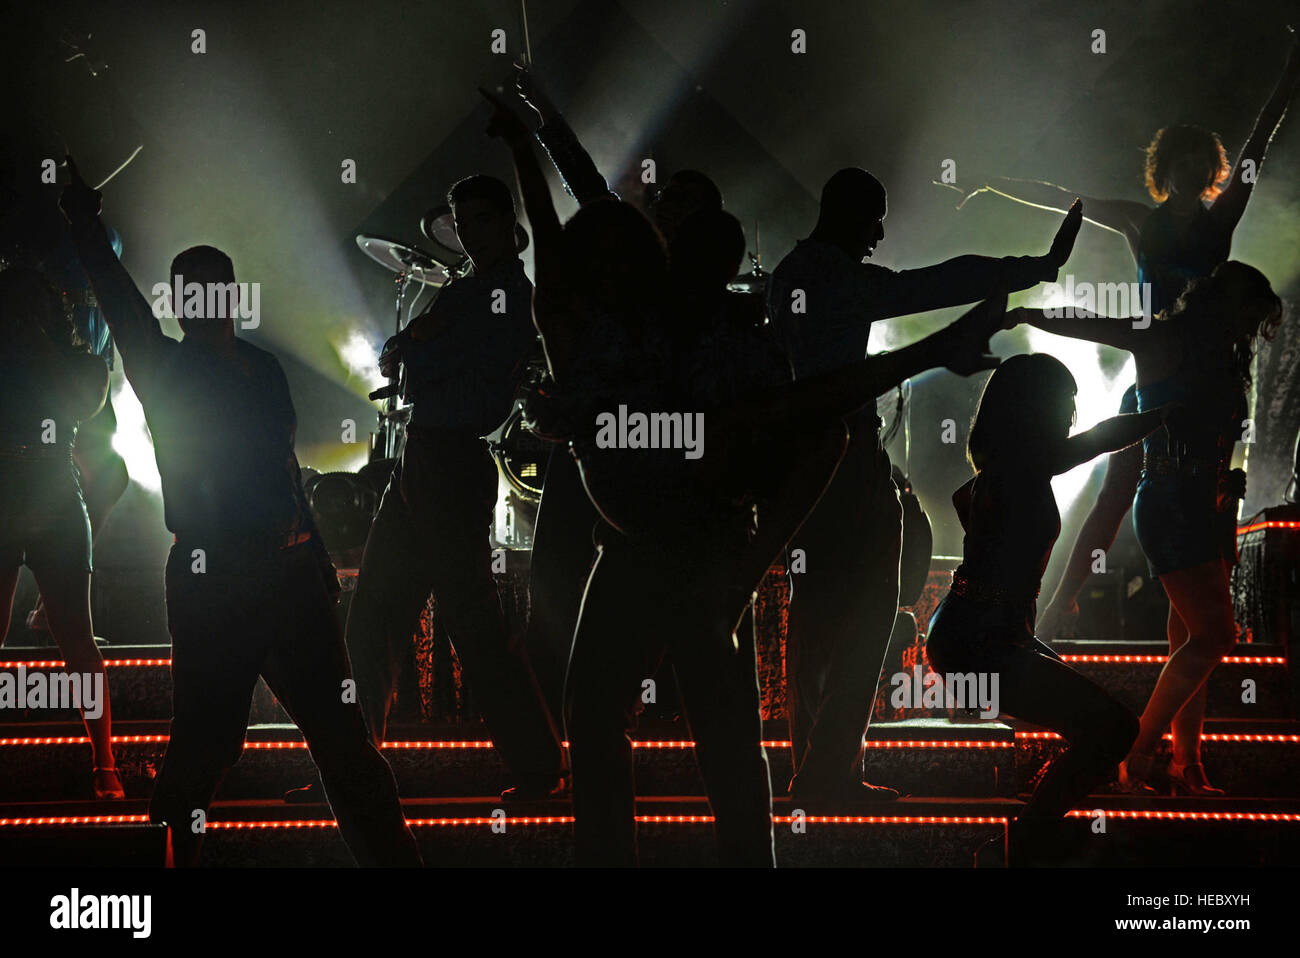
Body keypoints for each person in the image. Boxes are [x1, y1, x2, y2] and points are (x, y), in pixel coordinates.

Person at [59, 157, 422, 866]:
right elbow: (117, 299)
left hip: (280, 574)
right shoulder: (167, 369)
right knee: (208, 742)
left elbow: (283, 470)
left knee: (336, 738)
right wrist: (84, 227)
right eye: (190, 291)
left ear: (225, 295)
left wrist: (314, 559)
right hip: (218, 578)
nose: (201, 300)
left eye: (209, 289)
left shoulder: (260, 369)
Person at [952, 29, 1300, 649]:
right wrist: (988, 180)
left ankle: (1193, 633)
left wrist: (1289, 74)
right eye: (1183, 158)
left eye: (1203, 159)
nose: (1194, 167)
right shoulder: (1142, 221)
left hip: (1207, 372)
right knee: (1115, 490)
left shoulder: (1221, 219)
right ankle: (1062, 605)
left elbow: (1258, 145)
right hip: (1156, 365)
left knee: (1212, 491)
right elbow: (1064, 200)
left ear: (1212, 170)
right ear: (1165, 168)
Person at [765, 168, 1083, 807]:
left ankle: (819, 772)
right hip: (844, 466)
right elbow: (937, 282)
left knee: (816, 621)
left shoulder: (788, 278)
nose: (881, 233)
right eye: (876, 217)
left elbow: (932, 282)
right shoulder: (835, 278)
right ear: (850, 214)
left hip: (801, 464)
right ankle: (830, 774)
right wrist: (1033, 266)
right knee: (867, 613)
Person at [1008, 260, 1284, 796]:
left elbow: (1222, 439)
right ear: (1224, 305)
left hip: (1208, 507)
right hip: (1169, 504)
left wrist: (1227, 488)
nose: (1248, 334)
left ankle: (1187, 763)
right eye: (1246, 319)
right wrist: (1021, 312)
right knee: (1214, 634)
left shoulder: (1226, 363)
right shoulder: (1162, 338)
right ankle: (1132, 754)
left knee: (1188, 634)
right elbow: (1090, 321)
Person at [345, 172, 566, 799]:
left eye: (478, 221)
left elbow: (422, 358)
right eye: (462, 223)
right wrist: (416, 345)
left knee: (460, 622)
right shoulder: (479, 291)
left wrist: (417, 345)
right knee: (382, 619)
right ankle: (357, 766)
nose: (467, 233)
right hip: (431, 462)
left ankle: (538, 766)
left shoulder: (504, 295)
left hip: (447, 464)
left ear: (506, 223)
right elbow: (409, 354)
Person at [926, 354, 1167, 865]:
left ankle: (1019, 844)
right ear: (1029, 409)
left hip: (982, 630)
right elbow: (1100, 438)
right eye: (1064, 402)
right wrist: (1166, 412)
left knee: (1104, 727)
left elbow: (961, 500)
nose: (1072, 414)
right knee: (1114, 729)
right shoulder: (1023, 466)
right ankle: (1018, 846)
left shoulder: (1008, 468)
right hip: (977, 640)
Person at [0, 266, 122, 799]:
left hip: (57, 501)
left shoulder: (83, 364)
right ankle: (105, 766)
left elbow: (79, 403)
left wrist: (36, 342)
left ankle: (105, 763)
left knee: (77, 639)